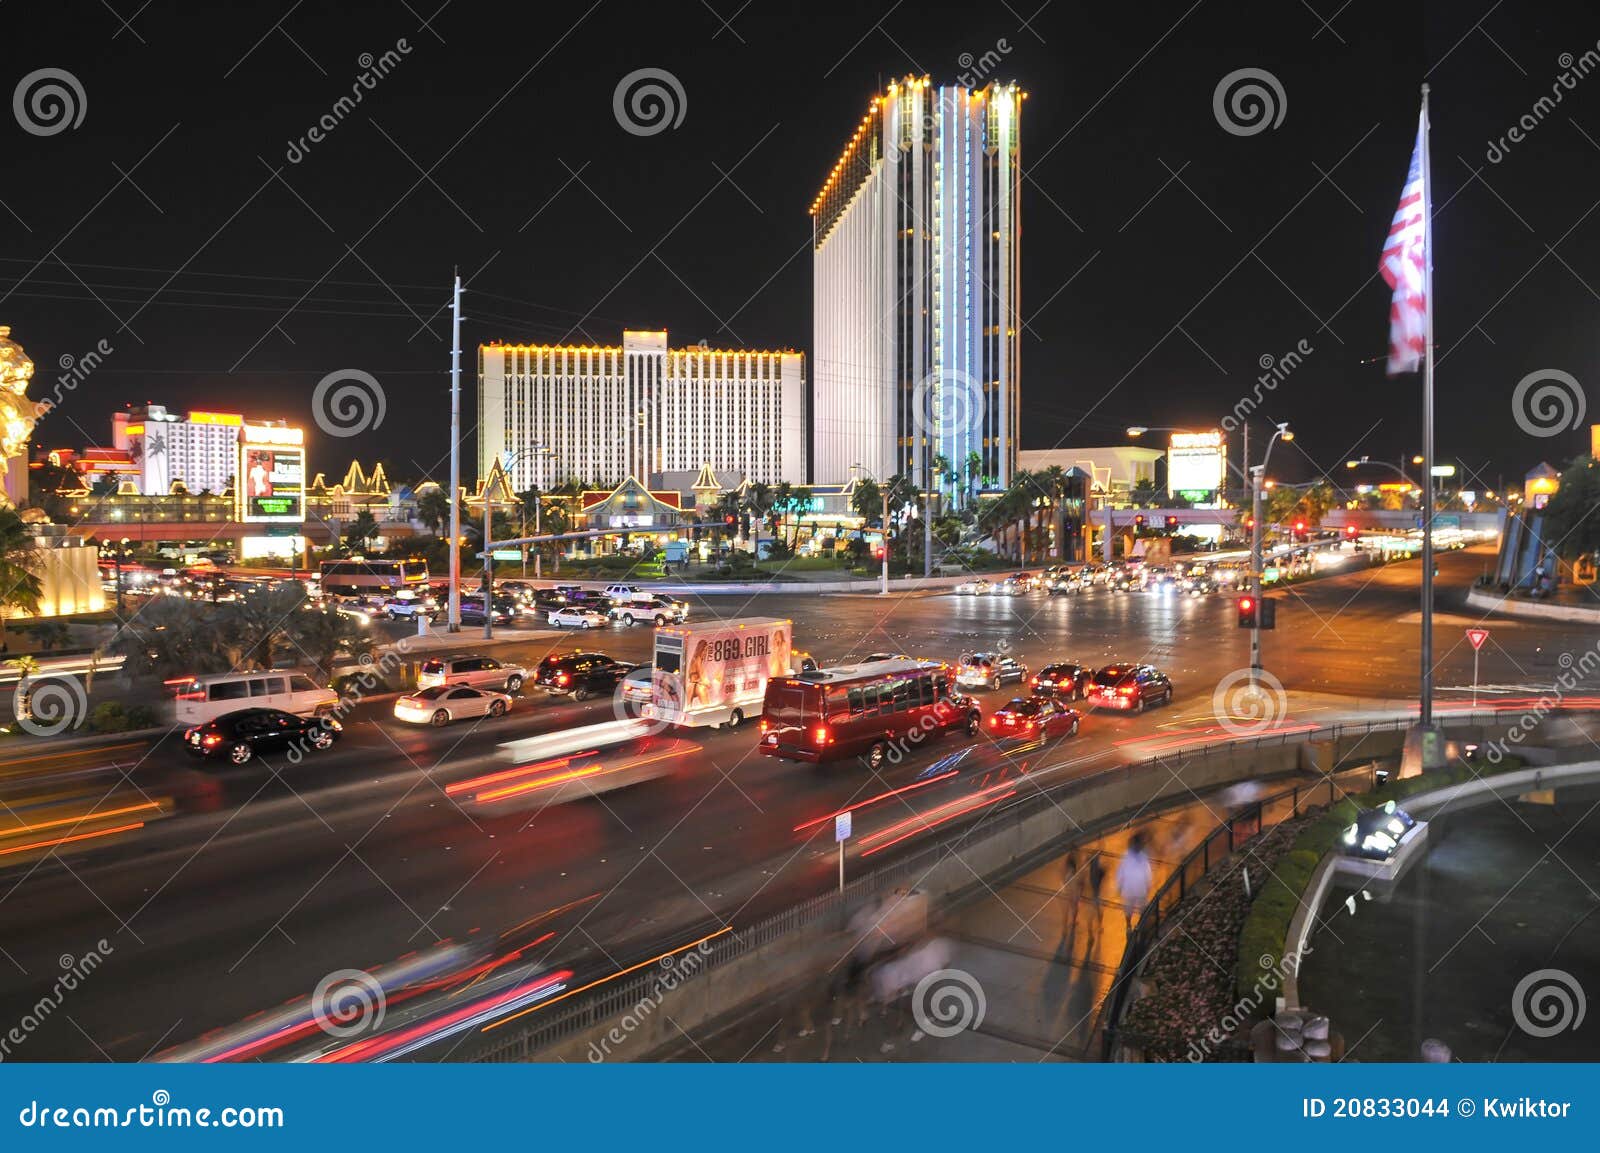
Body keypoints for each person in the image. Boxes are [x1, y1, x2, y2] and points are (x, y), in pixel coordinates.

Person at [1116, 832, 1153, 936]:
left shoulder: (1143, 856)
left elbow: (1147, 872)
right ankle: (1128, 926)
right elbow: (1120, 872)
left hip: (1140, 890)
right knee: (1129, 909)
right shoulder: (1126, 856)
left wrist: (1148, 884)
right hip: (1129, 890)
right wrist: (1119, 885)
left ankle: (1142, 926)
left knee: (1143, 909)